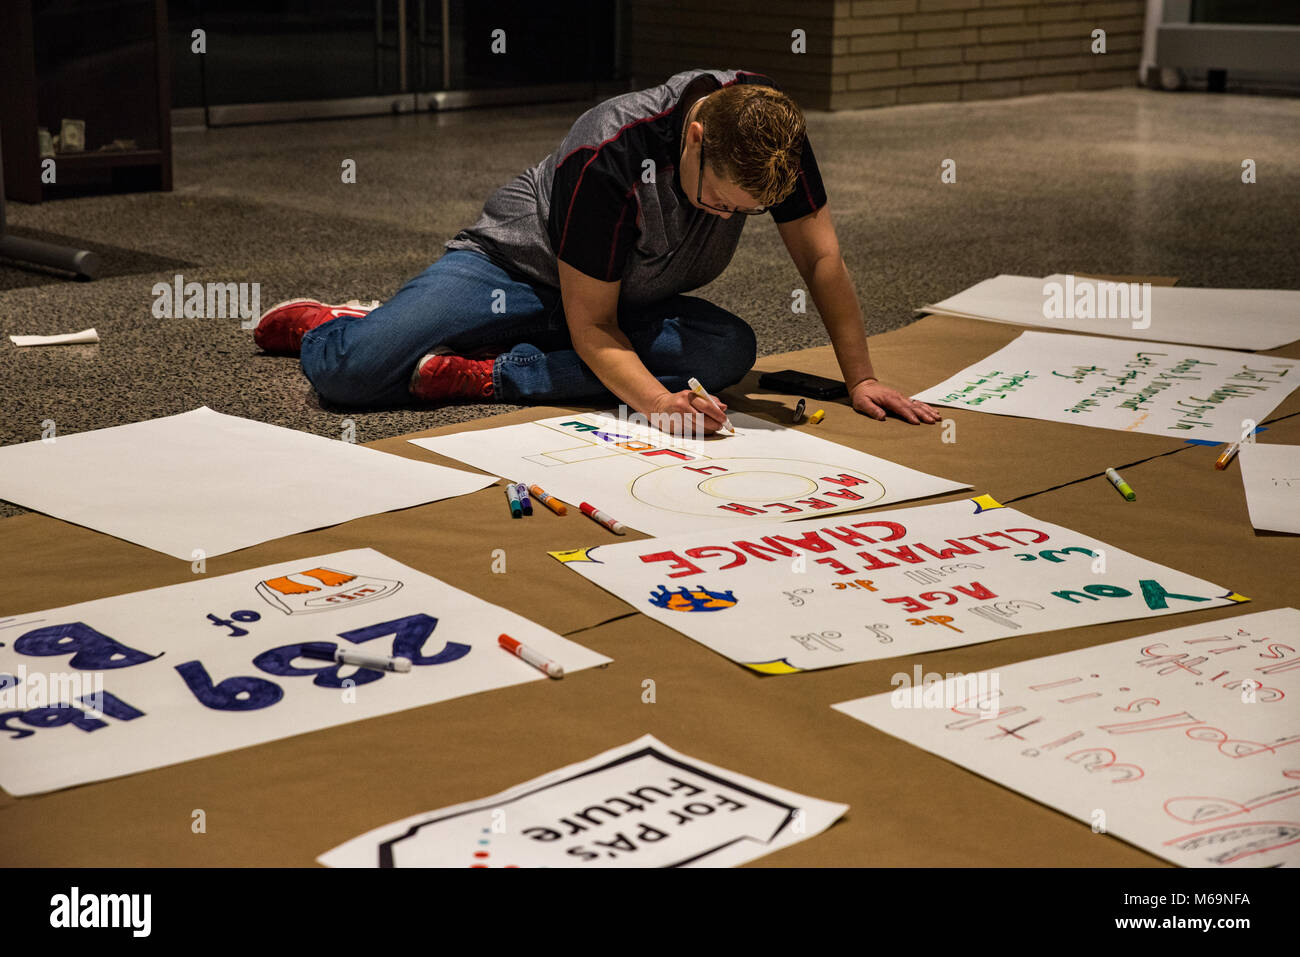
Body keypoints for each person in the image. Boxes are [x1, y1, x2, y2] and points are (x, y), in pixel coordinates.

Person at [254, 68, 940, 435]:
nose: (728, 217)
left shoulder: (772, 142)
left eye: (743, 213)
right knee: (351, 378)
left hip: (624, 299)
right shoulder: (611, 149)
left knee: (728, 351)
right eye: (720, 201)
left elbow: (821, 259)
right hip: (515, 271)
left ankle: (490, 372)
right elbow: (591, 327)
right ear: (694, 138)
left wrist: (860, 377)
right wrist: (659, 404)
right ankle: (338, 325)